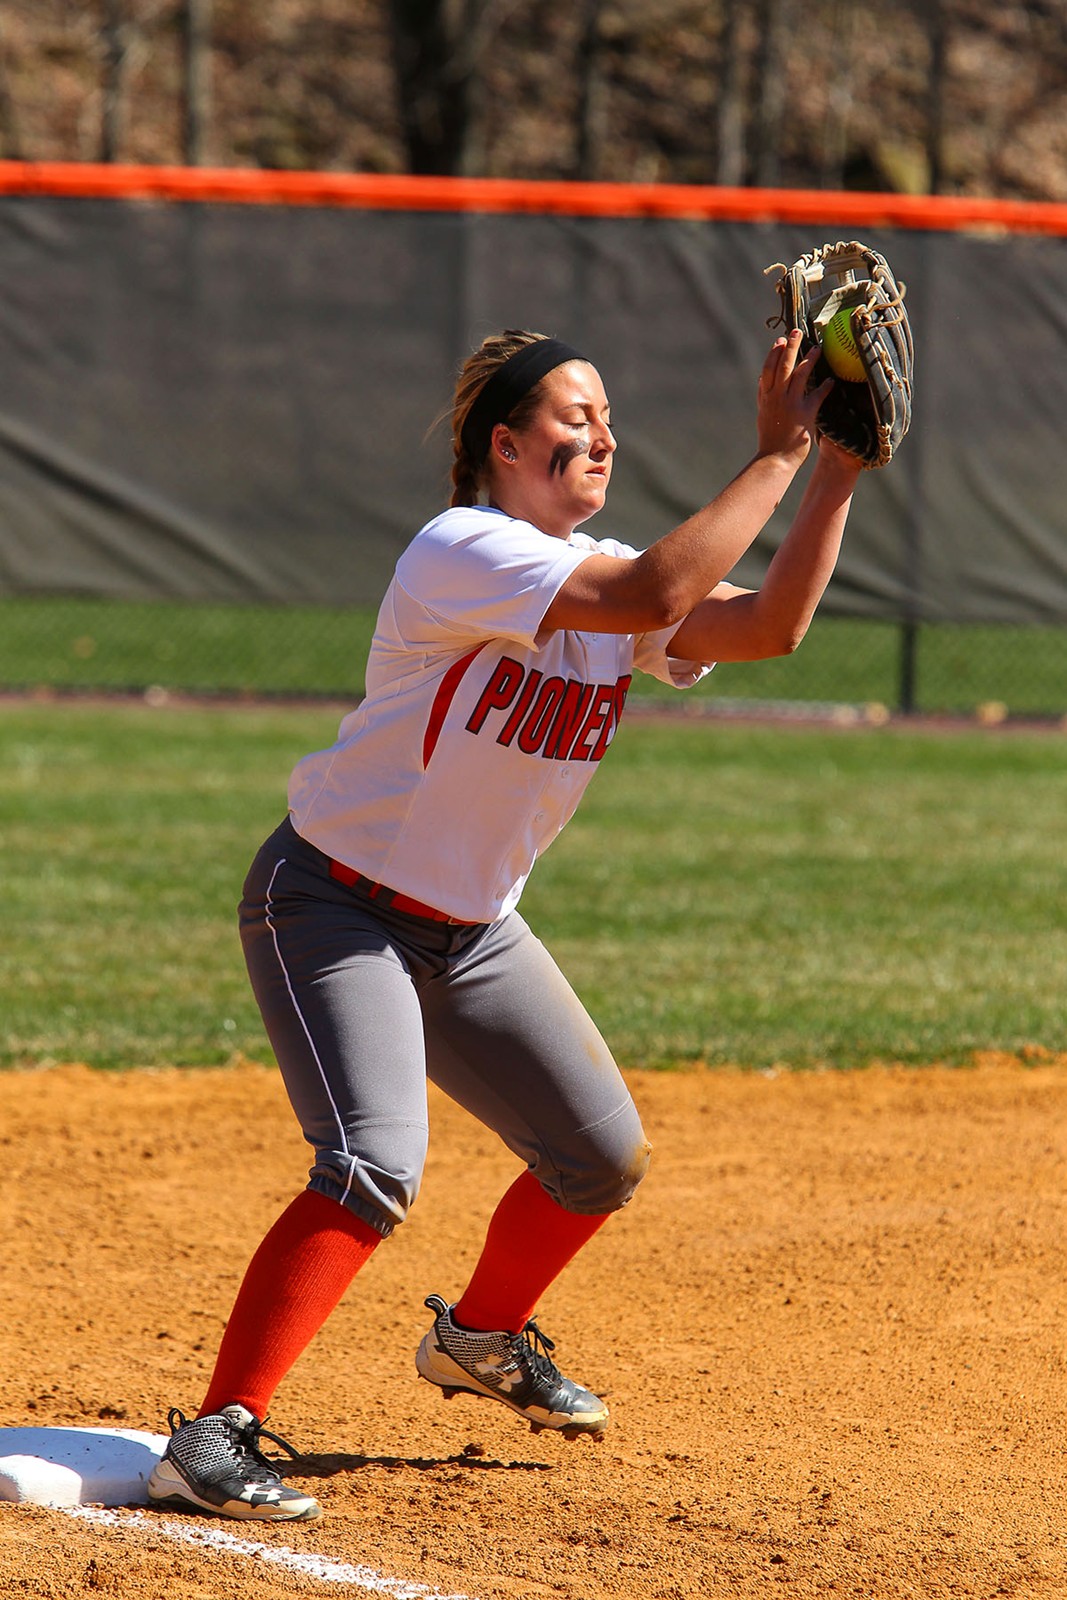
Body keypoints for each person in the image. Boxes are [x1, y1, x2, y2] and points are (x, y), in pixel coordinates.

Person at [147, 325, 861, 1523]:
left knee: (598, 1160)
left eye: (609, 420)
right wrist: (777, 454)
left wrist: (832, 469)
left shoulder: (605, 573)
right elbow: (652, 594)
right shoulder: (463, 549)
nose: (602, 437)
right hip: (335, 903)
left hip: (470, 932)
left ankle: (478, 1335)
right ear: (505, 444)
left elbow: (767, 626)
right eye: (575, 417)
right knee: (371, 1165)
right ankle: (213, 1435)